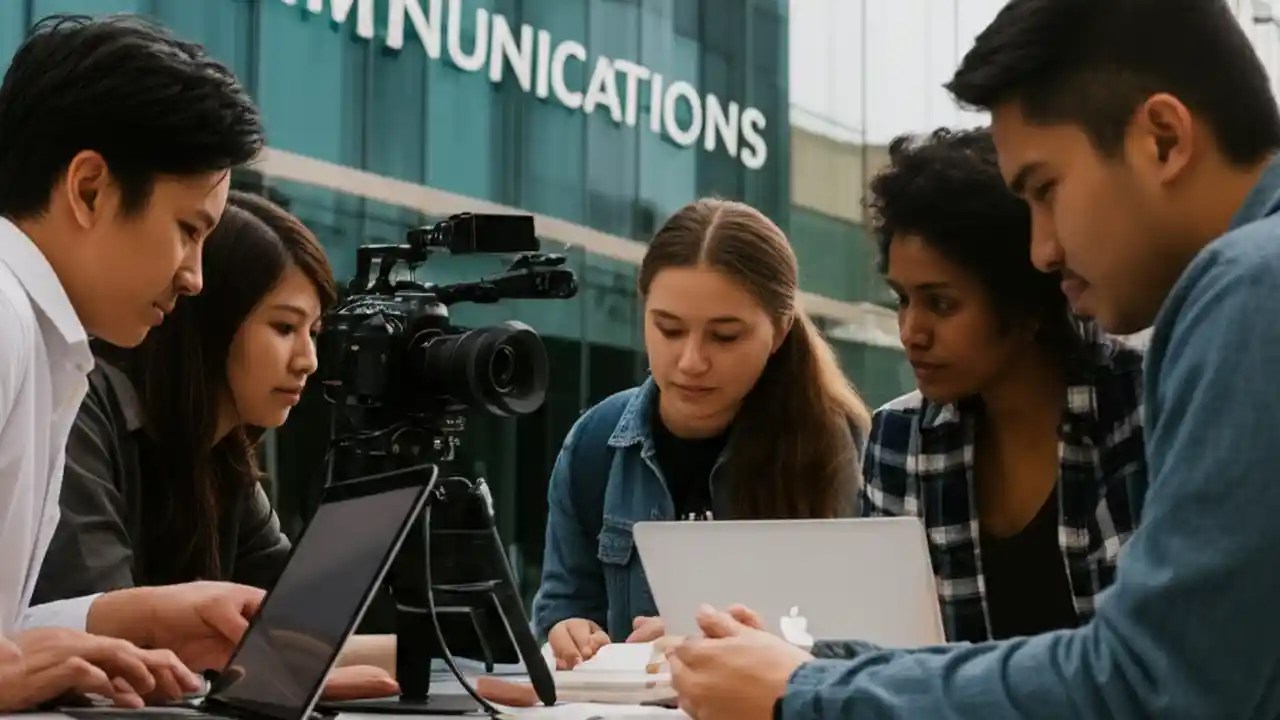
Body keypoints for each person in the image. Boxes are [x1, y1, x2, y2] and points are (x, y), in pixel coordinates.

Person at [664, 1, 1280, 718]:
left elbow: (1151, 684)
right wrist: (805, 666)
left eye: (1046, 191)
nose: (1043, 251)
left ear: (1164, 140)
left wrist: (804, 692)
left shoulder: (1248, 292)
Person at [0, 13, 267, 710]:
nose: (195, 277)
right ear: (89, 188)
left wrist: (133, 621)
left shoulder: (47, 339)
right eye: (188, 230)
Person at [31, 190, 398, 699]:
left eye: (313, 332)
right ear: (209, 318)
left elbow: (293, 630)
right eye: (284, 327)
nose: (308, 359)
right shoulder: (85, 406)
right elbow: (105, 631)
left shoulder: (222, 459)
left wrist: (488, 660)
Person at [530, 198, 870, 669]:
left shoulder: (834, 446)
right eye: (669, 329)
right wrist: (566, 633)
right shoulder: (595, 442)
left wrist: (717, 639)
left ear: (779, 330)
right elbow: (561, 610)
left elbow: (865, 650)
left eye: (725, 336)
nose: (691, 361)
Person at [858, 127, 1146, 643]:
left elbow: (1153, 656)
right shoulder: (899, 439)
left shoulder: (1140, 408)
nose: (911, 331)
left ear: (1027, 304)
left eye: (942, 304)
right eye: (902, 299)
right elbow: (888, 656)